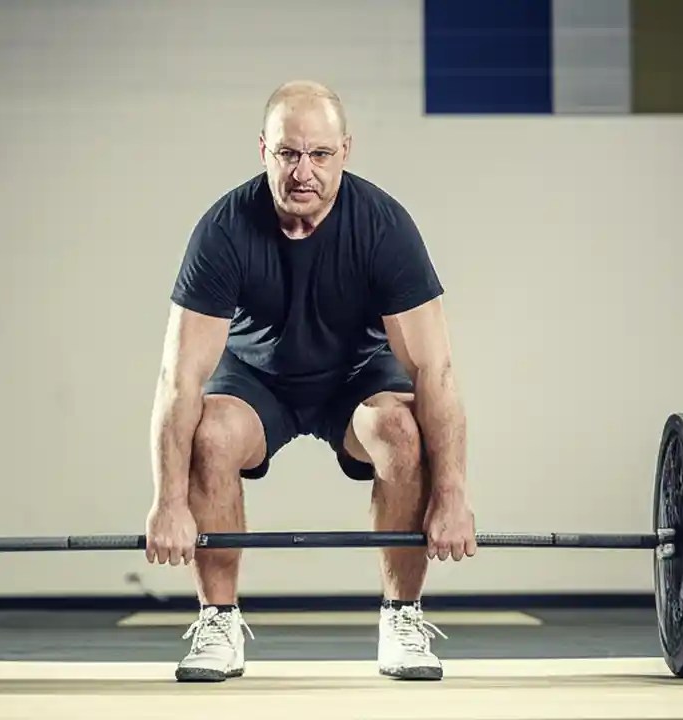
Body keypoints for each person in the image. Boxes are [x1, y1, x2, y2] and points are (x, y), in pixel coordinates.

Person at [144, 79, 475, 682]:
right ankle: (218, 621)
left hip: (355, 379)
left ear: (345, 151)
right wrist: (168, 502)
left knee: (401, 430)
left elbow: (435, 370)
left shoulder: (383, 226)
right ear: (263, 151)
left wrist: (451, 494)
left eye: (319, 155)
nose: (304, 171)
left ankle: (402, 617)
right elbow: (179, 377)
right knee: (212, 433)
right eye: (288, 154)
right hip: (256, 381)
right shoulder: (224, 230)